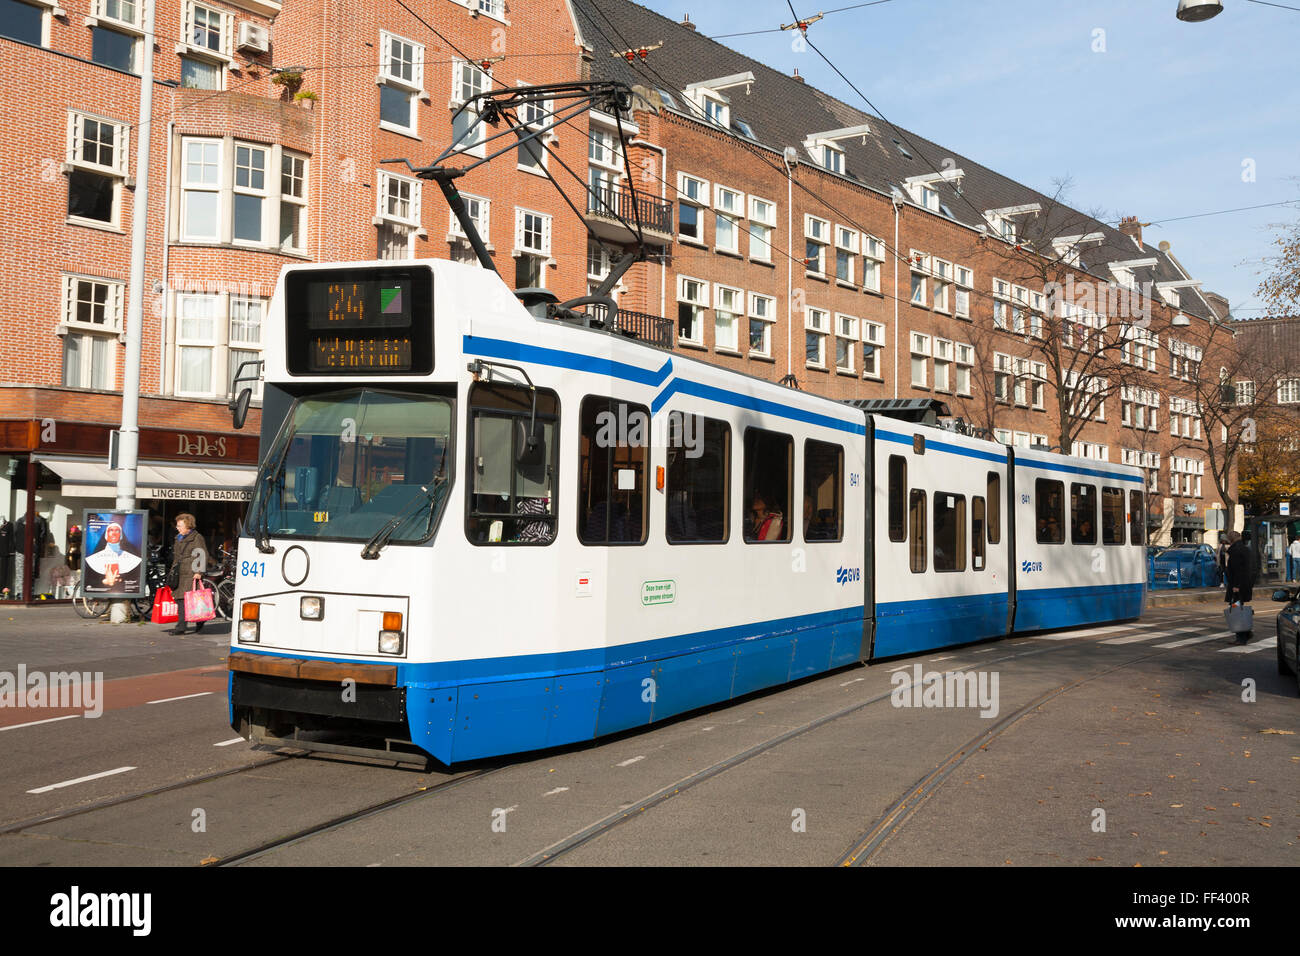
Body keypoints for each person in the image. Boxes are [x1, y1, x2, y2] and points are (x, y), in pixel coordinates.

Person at [167, 513, 209, 636]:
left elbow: (202, 554)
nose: (177, 527)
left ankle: (181, 627)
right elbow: (176, 557)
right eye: (177, 525)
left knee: (184, 600)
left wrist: (199, 572)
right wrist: (172, 572)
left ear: (188, 525)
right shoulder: (178, 538)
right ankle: (200, 619)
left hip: (190, 572)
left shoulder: (197, 538)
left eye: (180, 525)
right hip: (179, 572)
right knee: (183, 599)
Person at [84, 521, 141, 590]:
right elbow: (89, 584)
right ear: (106, 534)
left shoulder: (133, 560)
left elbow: (135, 584)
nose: (114, 533)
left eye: (117, 531)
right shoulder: (92, 560)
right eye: (111, 530)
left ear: (121, 535)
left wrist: (119, 581)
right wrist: (105, 582)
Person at [1223, 530, 1255, 644]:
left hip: (1238, 585)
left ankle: (1242, 637)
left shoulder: (1236, 550)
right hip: (1244, 583)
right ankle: (1245, 633)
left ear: (1231, 539)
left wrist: (1237, 586)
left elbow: (1238, 570)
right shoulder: (1244, 548)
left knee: (1236, 609)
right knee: (1238, 607)